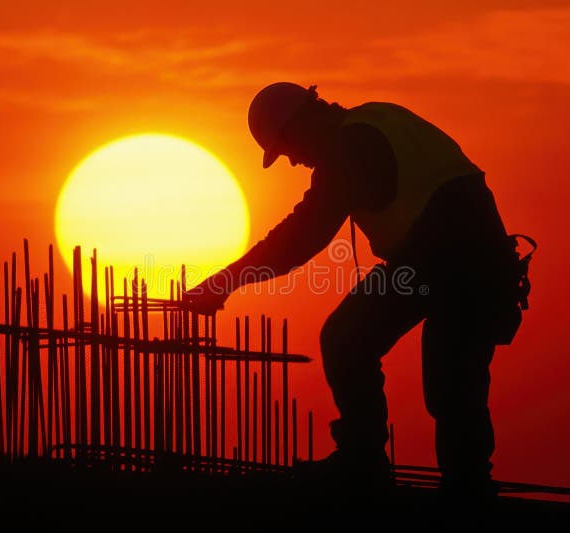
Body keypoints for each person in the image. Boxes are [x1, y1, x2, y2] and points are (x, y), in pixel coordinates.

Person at [185, 82, 523, 501]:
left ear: (303, 124)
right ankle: (460, 485)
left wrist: (225, 281)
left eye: (287, 148)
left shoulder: (351, 147)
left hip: (449, 260)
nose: (292, 161)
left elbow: (304, 233)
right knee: (448, 376)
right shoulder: (376, 118)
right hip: (463, 259)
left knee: (369, 346)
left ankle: (378, 468)